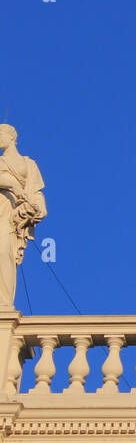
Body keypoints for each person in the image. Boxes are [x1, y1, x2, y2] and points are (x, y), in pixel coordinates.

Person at [0, 123, 46, 311]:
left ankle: (3, 304)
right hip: (2, 209)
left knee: (5, 254)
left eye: (1, 134)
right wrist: (13, 186)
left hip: (14, 217)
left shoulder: (29, 163)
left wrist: (38, 207)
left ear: (12, 137)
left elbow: (35, 190)